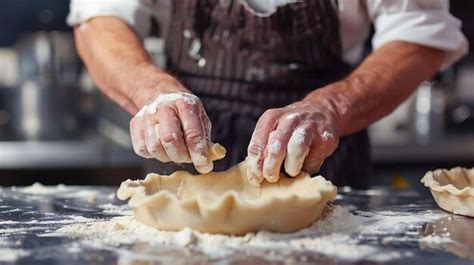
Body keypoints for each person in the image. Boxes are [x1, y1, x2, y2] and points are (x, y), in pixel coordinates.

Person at [67, 0, 467, 188]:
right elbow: (100, 18)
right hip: (181, 147)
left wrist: (329, 106)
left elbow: (419, 34)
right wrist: (154, 91)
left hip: (321, 153)